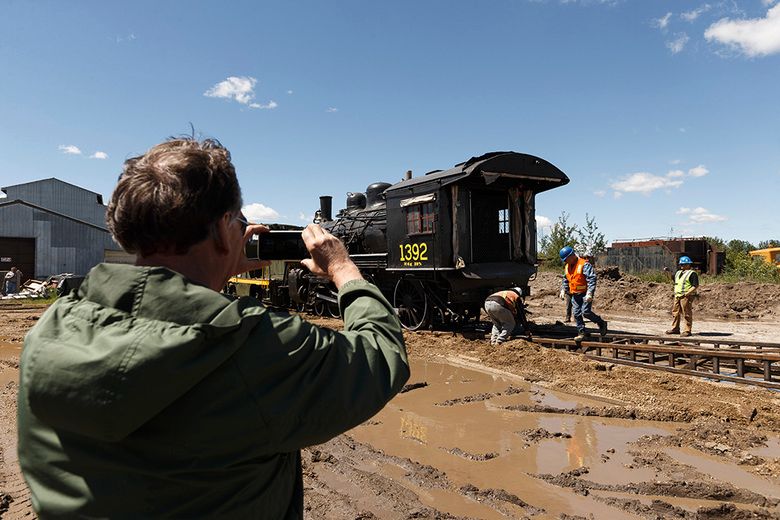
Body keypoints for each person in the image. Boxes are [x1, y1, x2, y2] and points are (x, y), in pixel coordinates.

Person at [17, 137, 410, 518]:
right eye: (237, 222)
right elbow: (380, 356)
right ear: (224, 229)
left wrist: (215, 271)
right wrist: (343, 269)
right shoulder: (253, 345)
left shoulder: (51, 330)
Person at [558, 246, 607, 341]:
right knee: (576, 313)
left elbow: (592, 279)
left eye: (566, 259)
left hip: (585, 294)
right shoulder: (567, 266)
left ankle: (601, 323)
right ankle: (581, 332)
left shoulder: (584, 264)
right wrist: (563, 289)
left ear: (572, 256)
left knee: (586, 312)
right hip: (575, 294)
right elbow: (566, 279)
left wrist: (590, 293)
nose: (565, 262)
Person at [665, 255, 699, 337]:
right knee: (675, 312)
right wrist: (668, 272)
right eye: (681, 264)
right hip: (677, 295)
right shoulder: (678, 273)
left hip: (686, 296)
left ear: (688, 265)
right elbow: (673, 279)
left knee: (686, 313)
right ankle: (675, 329)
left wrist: (687, 293)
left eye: (683, 264)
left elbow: (695, 285)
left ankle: (687, 330)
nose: (681, 266)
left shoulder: (692, 273)